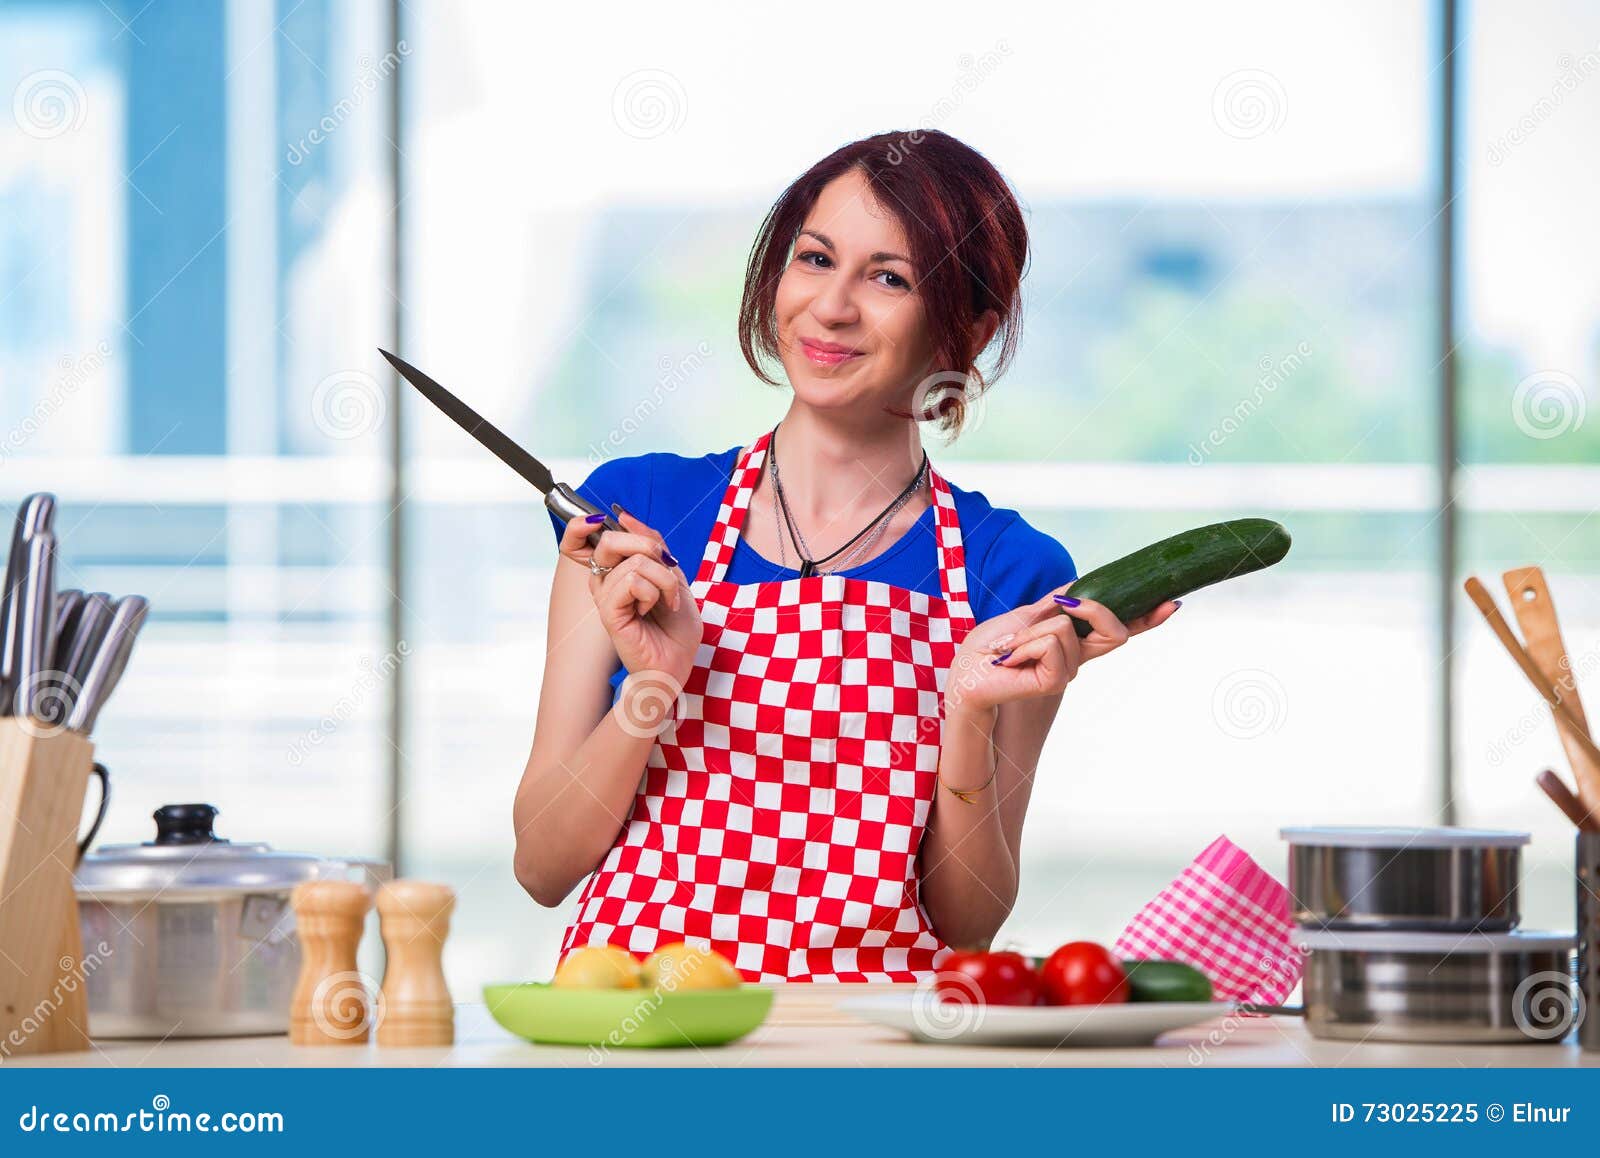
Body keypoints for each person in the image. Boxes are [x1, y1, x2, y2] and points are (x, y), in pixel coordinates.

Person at [514, 129, 1178, 982]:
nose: (831, 307)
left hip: (879, 1039)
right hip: (639, 1029)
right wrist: (653, 682)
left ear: (965, 330)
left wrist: (970, 709)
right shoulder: (637, 516)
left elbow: (969, 920)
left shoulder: (1012, 571)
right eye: (816, 258)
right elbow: (542, 867)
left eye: (890, 278)